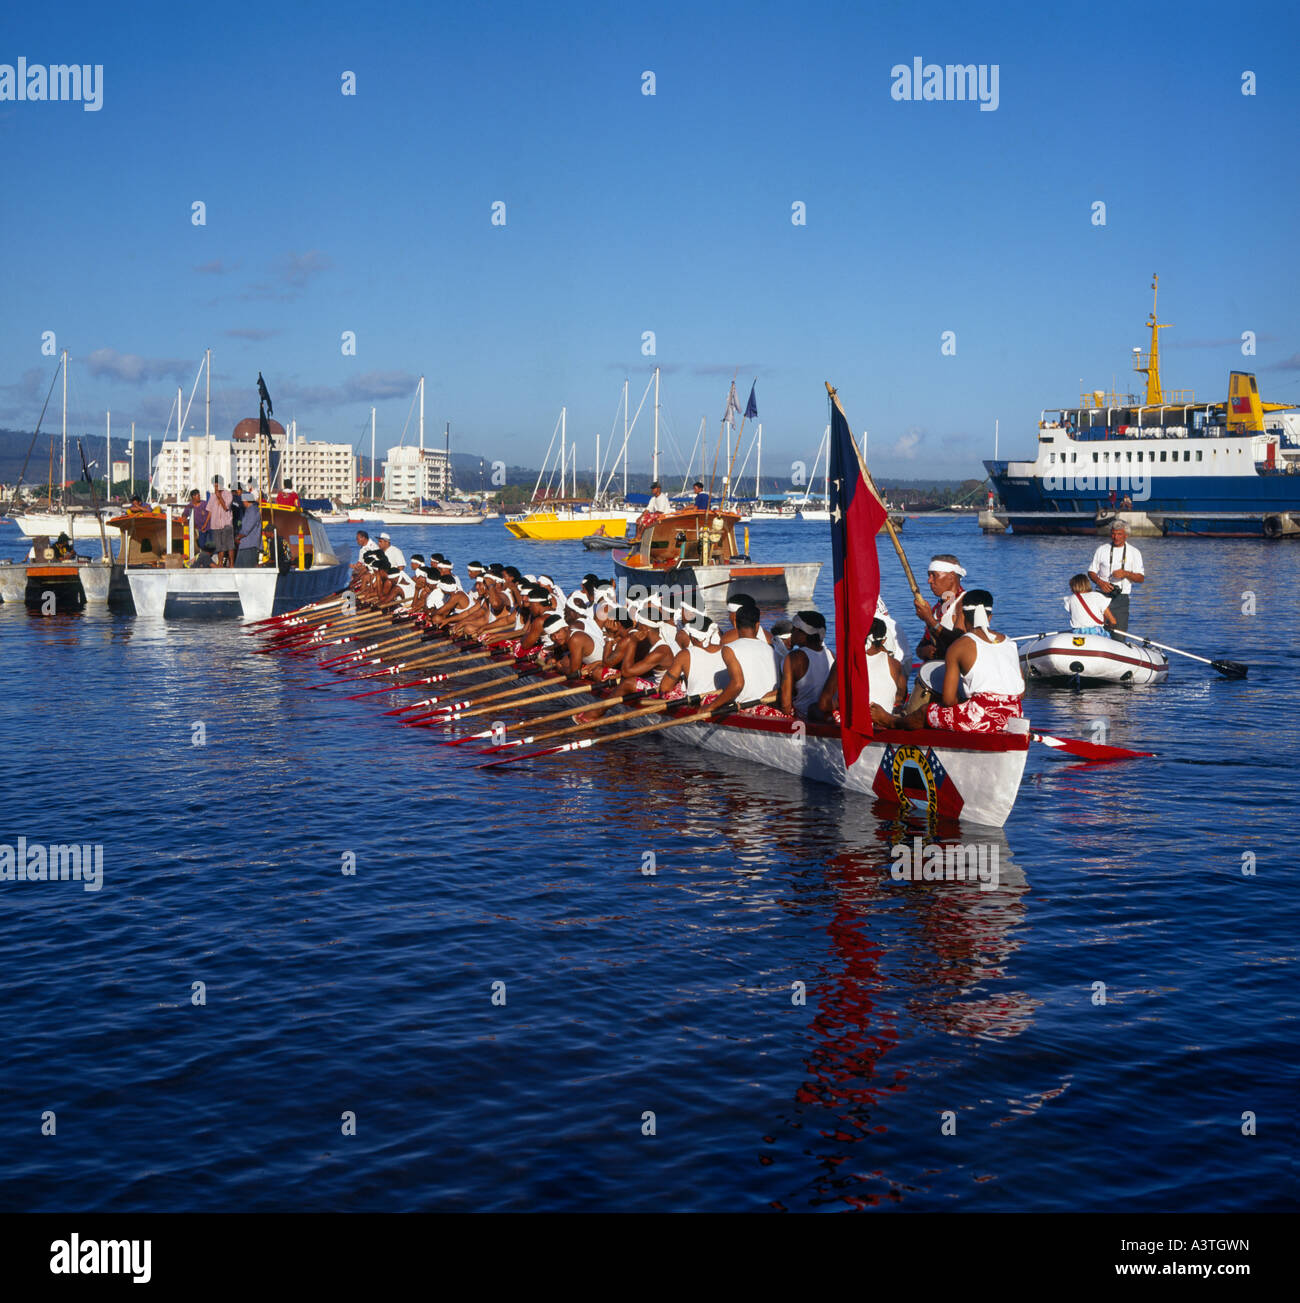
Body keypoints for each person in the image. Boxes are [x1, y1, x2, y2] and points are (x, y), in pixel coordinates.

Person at [894, 590, 1025, 734]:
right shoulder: (1010, 643)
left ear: (962, 616)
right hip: (1014, 715)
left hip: (979, 718)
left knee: (926, 711)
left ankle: (891, 721)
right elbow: (1021, 693)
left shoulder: (959, 646)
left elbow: (949, 701)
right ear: (990, 617)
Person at [817, 617, 906, 725]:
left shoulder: (844, 662)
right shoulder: (895, 664)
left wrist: (838, 703)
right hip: (883, 725)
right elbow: (900, 697)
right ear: (884, 640)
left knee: (813, 709)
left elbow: (823, 704)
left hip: (856, 728)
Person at [777, 611, 835, 718]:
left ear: (803, 634)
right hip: (827, 715)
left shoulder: (793, 658)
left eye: (794, 629)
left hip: (805, 716)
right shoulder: (831, 654)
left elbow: (786, 707)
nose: (791, 633)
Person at [1088, 524, 1144, 632]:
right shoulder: (1102, 549)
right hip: (1100, 595)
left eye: (1119, 534)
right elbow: (1091, 571)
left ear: (1126, 535)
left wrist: (1126, 574)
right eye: (1113, 534)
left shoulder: (1134, 552)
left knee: (1118, 634)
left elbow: (1141, 578)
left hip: (1121, 597)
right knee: (1098, 631)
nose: (1116, 537)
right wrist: (1100, 583)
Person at [205, 476, 235, 568]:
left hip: (226, 524)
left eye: (217, 486)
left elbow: (226, 507)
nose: (216, 488)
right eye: (215, 486)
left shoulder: (228, 494)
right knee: (219, 546)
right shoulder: (212, 496)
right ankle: (220, 564)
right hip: (215, 525)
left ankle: (231, 564)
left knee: (229, 545)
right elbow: (210, 511)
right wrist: (205, 524)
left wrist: (219, 497)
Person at [234, 494, 262, 567]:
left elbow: (246, 529)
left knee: (247, 571)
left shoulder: (253, 511)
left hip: (250, 546)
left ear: (246, 500)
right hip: (244, 545)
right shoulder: (248, 510)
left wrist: (237, 537)